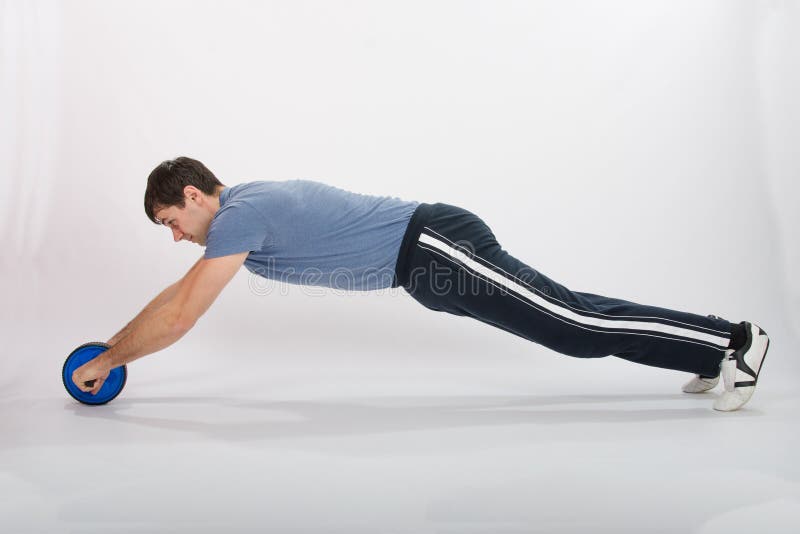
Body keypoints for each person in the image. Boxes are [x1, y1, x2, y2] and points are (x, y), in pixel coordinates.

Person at [71, 156, 770, 411]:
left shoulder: (241, 215)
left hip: (433, 245)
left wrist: (106, 360)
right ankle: (707, 353)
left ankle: (733, 343)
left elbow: (185, 313)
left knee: (574, 325)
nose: (175, 235)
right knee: (571, 324)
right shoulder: (240, 220)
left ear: (195, 196)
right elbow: (180, 296)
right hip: (426, 269)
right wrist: (110, 345)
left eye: (171, 220)